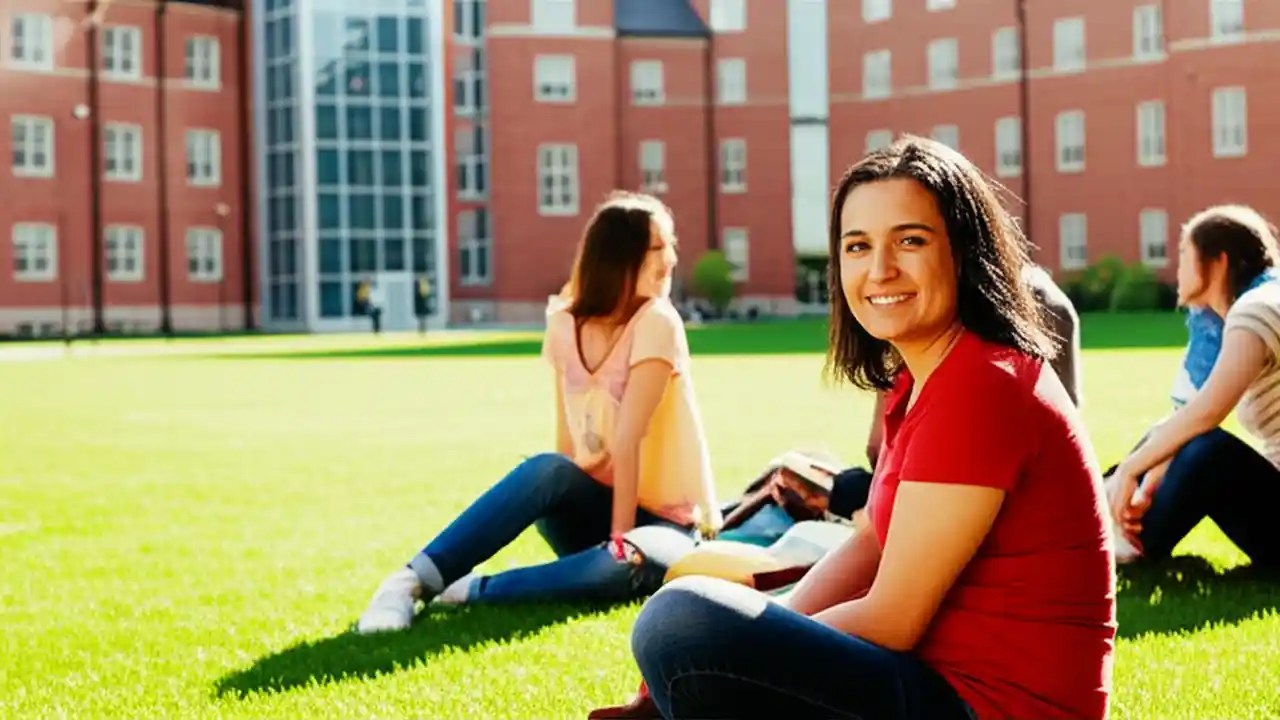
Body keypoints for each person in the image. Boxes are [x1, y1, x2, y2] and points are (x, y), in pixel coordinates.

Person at [627, 137, 1116, 720]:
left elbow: (892, 619)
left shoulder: (982, 385)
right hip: (934, 685)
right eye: (857, 246)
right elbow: (870, 542)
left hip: (985, 707)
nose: (880, 270)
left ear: (964, 252)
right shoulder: (922, 382)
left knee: (680, 618)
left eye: (910, 241)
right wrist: (768, 629)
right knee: (703, 618)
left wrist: (743, 646)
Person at [356, 191, 721, 633]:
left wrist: (620, 539)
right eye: (658, 248)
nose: (671, 260)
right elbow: (566, 448)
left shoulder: (658, 323)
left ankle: (471, 589)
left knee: (620, 564)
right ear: (619, 257)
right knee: (546, 468)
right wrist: (590, 520)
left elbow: (629, 438)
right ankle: (410, 581)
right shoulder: (564, 323)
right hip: (594, 511)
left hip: (666, 526)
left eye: (671, 245)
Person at [1107, 204, 1280, 568]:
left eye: (1185, 254)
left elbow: (1206, 415)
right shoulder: (1258, 305)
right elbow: (1184, 420)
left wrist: (1130, 471)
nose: (1177, 267)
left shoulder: (1256, 311)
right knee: (1175, 437)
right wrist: (1143, 472)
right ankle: (1102, 518)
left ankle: (1124, 542)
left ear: (1218, 262)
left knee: (1208, 450)